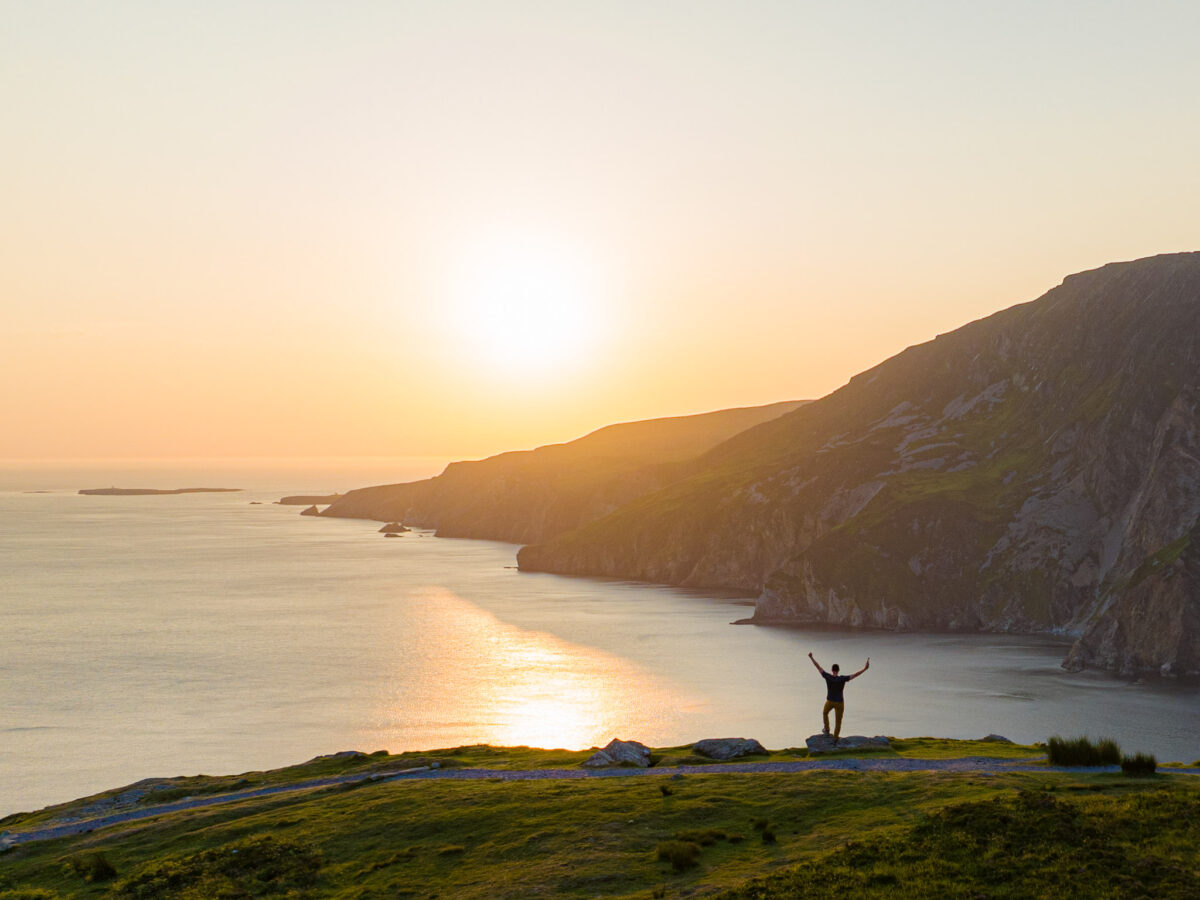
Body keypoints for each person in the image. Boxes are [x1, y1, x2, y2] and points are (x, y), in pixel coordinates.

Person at [807, 652, 868, 742]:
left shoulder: (828, 677)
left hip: (830, 701)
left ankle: (827, 729)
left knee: (825, 713)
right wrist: (865, 668)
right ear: (838, 670)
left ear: (832, 670)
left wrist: (811, 657)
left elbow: (818, 667)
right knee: (838, 722)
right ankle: (835, 739)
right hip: (839, 702)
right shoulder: (842, 679)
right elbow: (855, 675)